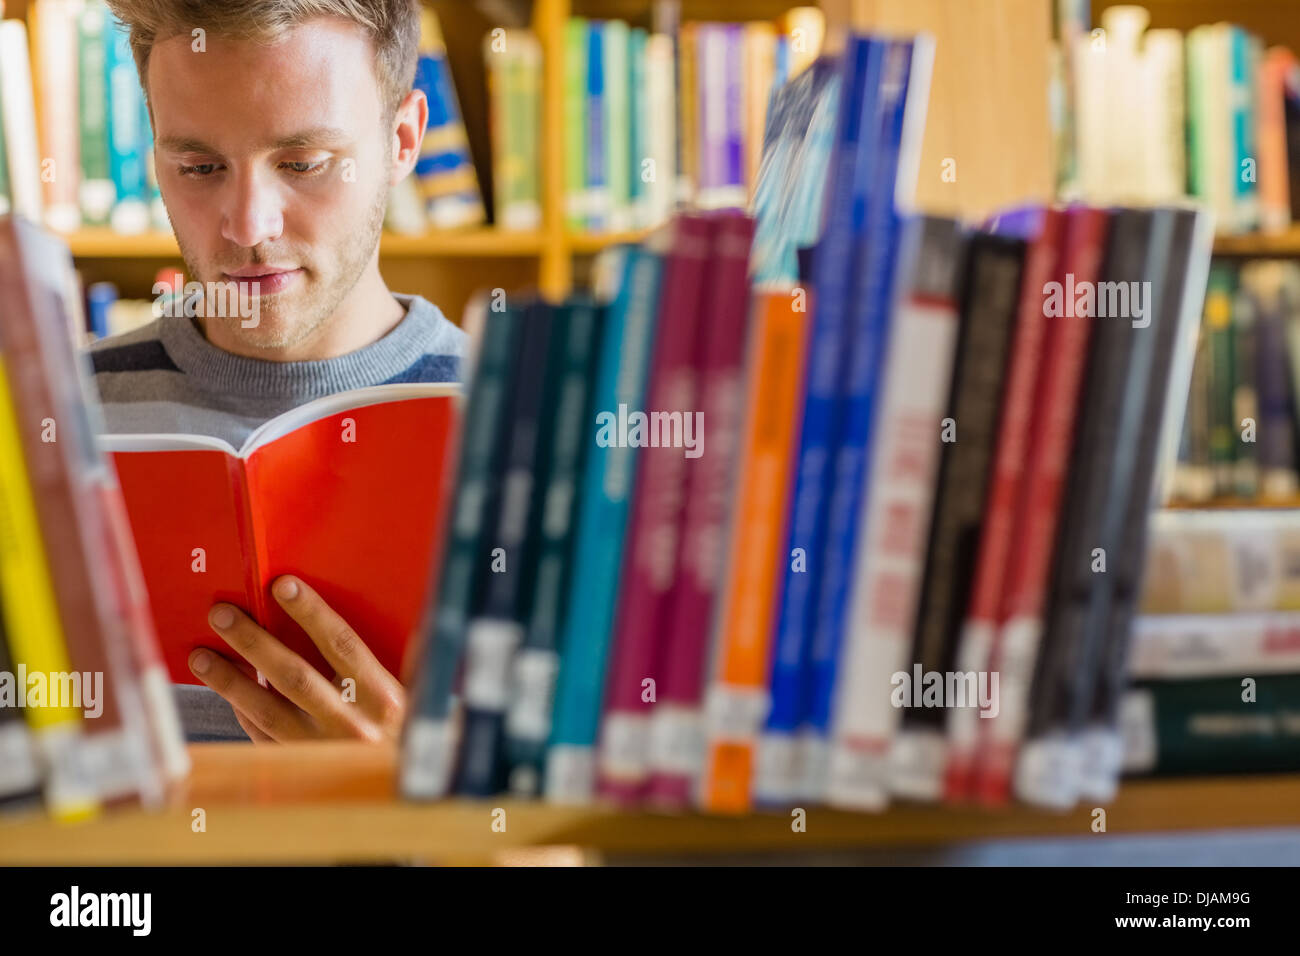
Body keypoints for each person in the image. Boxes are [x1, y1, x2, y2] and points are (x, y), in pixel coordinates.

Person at [90, 0, 464, 743]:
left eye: (302, 163)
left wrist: (418, 808)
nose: (248, 225)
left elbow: (572, 847)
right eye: (198, 166)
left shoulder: (525, 424)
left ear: (402, 140)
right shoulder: (47, 417)